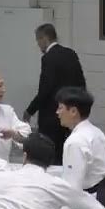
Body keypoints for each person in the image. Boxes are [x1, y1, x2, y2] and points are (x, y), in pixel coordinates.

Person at [25, 24, 86, 164]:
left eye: (38, 40)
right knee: (68, 153)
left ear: (44, 38)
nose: (38, 44)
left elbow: (45, 89)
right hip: (71, 114)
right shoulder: (71, 54)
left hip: (51, 116)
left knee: (50, 154)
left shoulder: (48, 58)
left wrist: (30, 110)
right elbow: (81, 83)